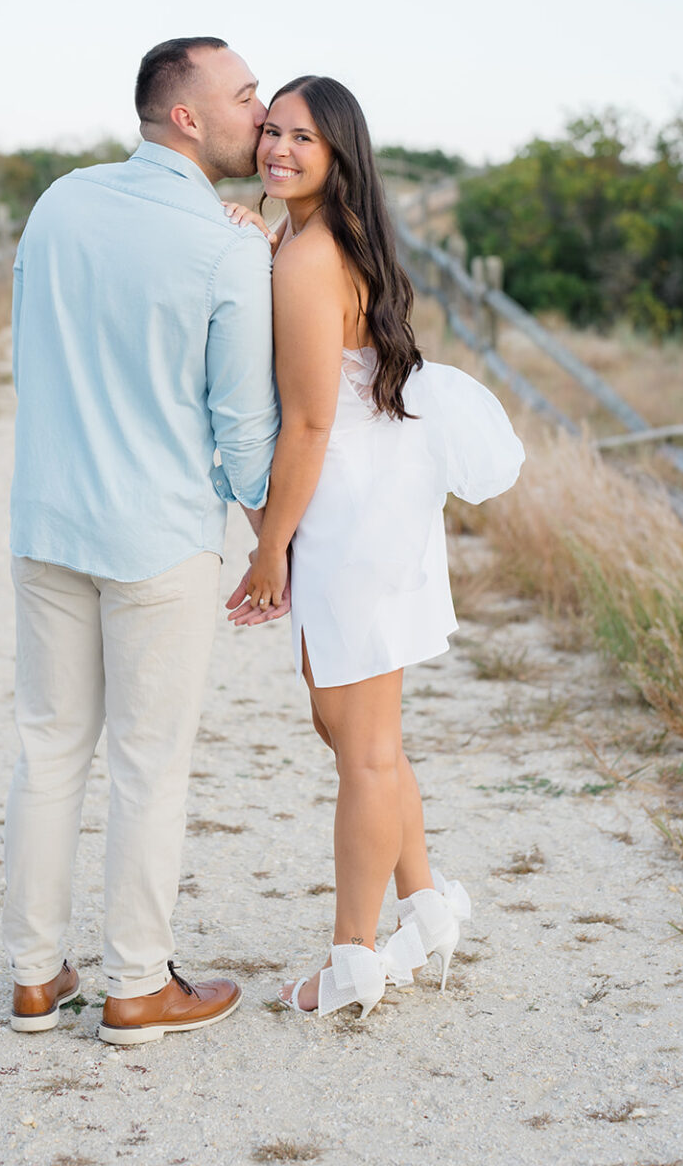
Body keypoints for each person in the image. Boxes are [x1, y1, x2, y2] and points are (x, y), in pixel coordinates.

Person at [225, 75, 524, 1018]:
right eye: (271, 131)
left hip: (350, 507)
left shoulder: (312, 255)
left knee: (360, 745)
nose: (278, 149)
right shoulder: (311, 239)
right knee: (355, 732)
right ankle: (425, 908)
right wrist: (259, 236)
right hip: (367, 492)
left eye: (302, 139)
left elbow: (311, 421)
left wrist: (269, 549)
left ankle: (353, 959)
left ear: (339, 154)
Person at [4, 36, 284, 1045]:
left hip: (48, 520)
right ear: (187, 117)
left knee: (49, 748)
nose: (262, 112)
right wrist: (272, 538)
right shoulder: (226, 246)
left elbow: (26, 352)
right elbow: (243, 426)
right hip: (159, 535)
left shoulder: (58, 202)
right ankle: (135, 986)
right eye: (245, 96)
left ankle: (35, 978)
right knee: (149, 765)